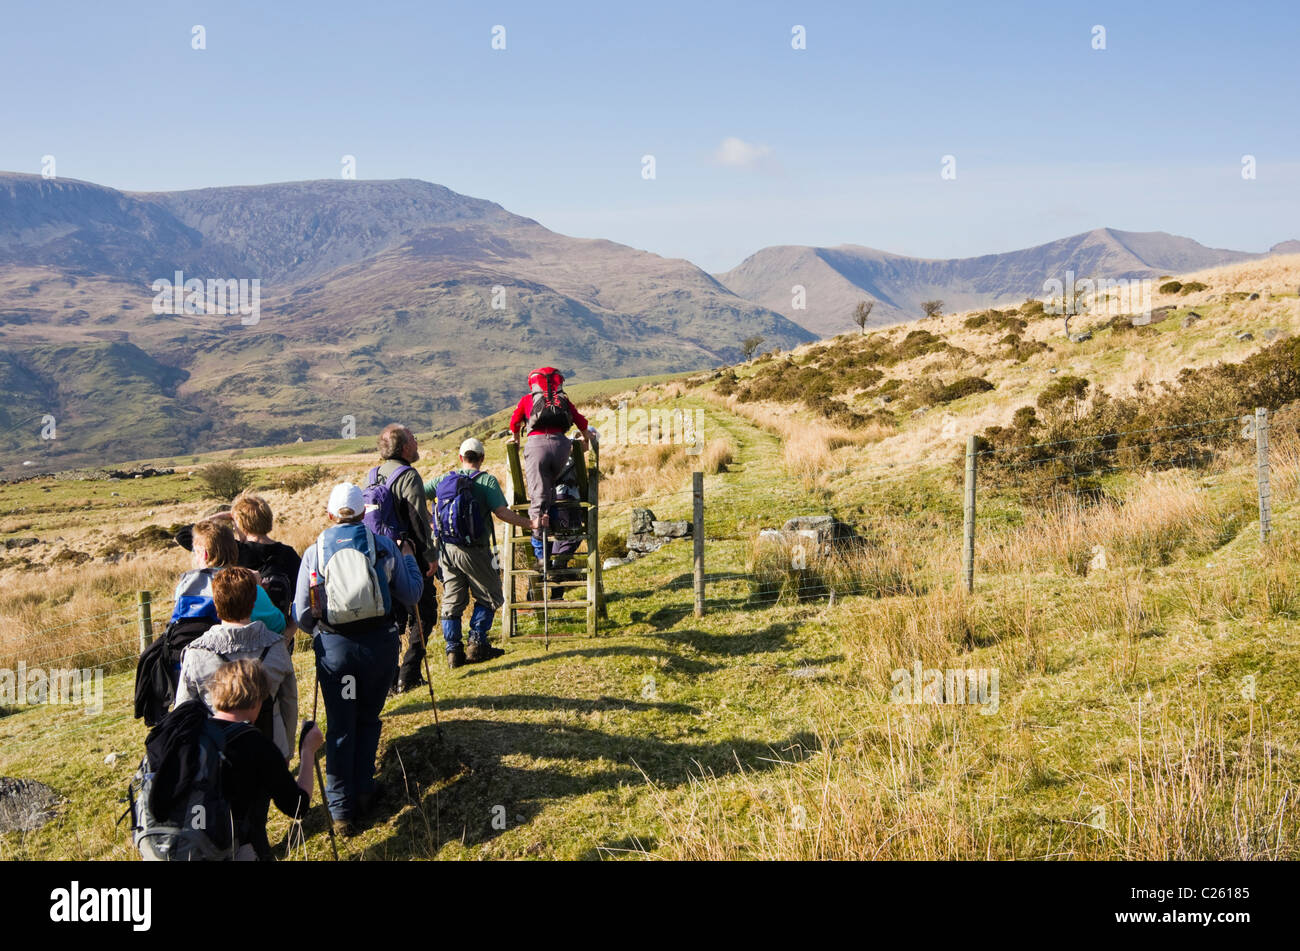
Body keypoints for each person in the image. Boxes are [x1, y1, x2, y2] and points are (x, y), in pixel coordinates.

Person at [293, 482, 423, 835]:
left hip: (336, 651)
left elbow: (301, 613)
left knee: (340, 726)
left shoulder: (314, 552)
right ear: (364, 513)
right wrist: (409, 557)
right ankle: (365, 790)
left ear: (329, 515)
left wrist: (321, 634)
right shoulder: (382, 545)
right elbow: (411, 593)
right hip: (379, 647)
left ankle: (341, 810)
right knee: (368, 718)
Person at [428, 438, 541, 668]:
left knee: (452, 599)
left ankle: (453, 651)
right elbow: (502, 512)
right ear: (482, 458)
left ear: (460, 458)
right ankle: (477, 644)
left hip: (446, 550)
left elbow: (417, 493)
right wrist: (530, 524)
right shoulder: (486, 481)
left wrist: (429, 522)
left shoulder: (443, 479)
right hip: (475, 550)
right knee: (491, 595)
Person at [175, 566, 298, 761]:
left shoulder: (196, 654)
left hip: (216, 756)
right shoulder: (276, 647)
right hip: (270, 748)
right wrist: (287, 749)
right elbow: (289, 702)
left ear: (216, 605)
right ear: (254, 602)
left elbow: (183, 713)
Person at [208, 659, 324, 861]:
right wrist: (308, 751)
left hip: (179, 847)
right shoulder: (256, 744)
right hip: (234, 849)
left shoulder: (192, 734)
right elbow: (297, 806)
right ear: (257, 698)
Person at [368, 423, 439, 693]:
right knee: (425, 612)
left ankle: (390, 677)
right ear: (405, 447)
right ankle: (409, 674)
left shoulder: (373, 475)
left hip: (378, 556)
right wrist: (429, 555)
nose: (417, 442)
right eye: (413, 438)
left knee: (391, 619)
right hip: (408, 554)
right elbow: (418, 519)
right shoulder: (408, 476)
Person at [507, 368, 591, 562]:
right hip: (561, 447)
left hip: (537, 447)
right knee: (550, 486)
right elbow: (580, 420)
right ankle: (555, 524)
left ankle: (541, 554)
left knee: (538, 496)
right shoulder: (562, 400)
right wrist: (586, 439)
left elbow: (515, 421)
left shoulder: (528, 400)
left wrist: (516, 439)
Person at [168, 518, 287, 637]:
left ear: (205, 554)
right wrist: (259, 587)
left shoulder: (185, 586)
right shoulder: (247, 586)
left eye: (196, 552)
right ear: (234, 549)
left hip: (189, 647)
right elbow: (278, 626)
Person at [230, 493, 302, 649]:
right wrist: (288, 634)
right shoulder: (288, 554)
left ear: (241, 524)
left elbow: (188, 536)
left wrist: (222, 516)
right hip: (279, 641)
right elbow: (302, 599)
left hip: (243, 642)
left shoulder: (235, 552)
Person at [530, 445, 585, 575]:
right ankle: (560, 561)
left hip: (542, 499)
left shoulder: (538, 452)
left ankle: (551, 567)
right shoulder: (566, 454)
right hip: (565, 496)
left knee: (553, 535)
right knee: (574, 533)